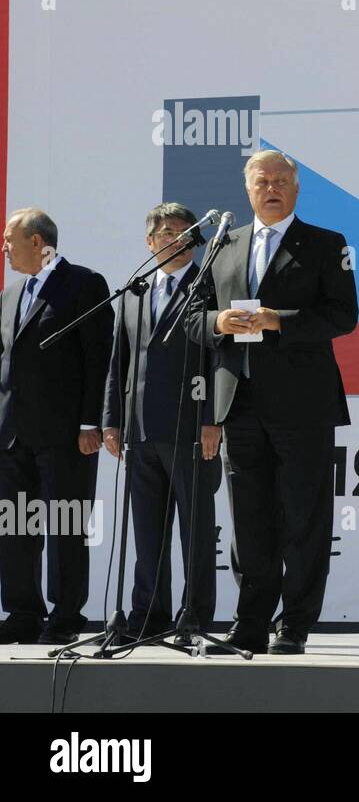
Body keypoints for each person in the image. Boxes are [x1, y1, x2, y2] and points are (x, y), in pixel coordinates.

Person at [184, 151, 358, 655]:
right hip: (238, 401)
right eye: (263, 181)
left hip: (302, 403)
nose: (272, 188)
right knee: (249, 521)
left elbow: (343, 316)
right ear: (248, 189)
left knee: (304, 517)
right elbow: (194, 316)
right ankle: (250, 623)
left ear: (297, 189)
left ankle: (295, 624)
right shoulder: (223, 245)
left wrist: (277, 319)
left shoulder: (327, 244)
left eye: (282, 180)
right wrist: (219, 323)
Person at [102, 203, 221, 645]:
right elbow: (120, 363)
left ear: (193, 240)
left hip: (190, 428)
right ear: (149, 242)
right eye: (163, 232)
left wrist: (212, 420)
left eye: (181, 232)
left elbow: (218, 358)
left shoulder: (208, 285)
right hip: (140, 431)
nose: (172, 238)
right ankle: (148, 616)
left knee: (195, 531)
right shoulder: (133, 292)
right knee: (148, 533)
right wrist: (112, 420)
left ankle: (194, 618)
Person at [0, 208, 112, 645]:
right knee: (15, 527)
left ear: (36, 242)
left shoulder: (84, 284)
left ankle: (66, 615)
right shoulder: (10, 294)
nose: (4, 247)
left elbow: (98, 357)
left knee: (65, 526)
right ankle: (23, 613)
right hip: (12, 436)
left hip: (66, 434)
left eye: (10, 238)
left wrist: (91, 421)